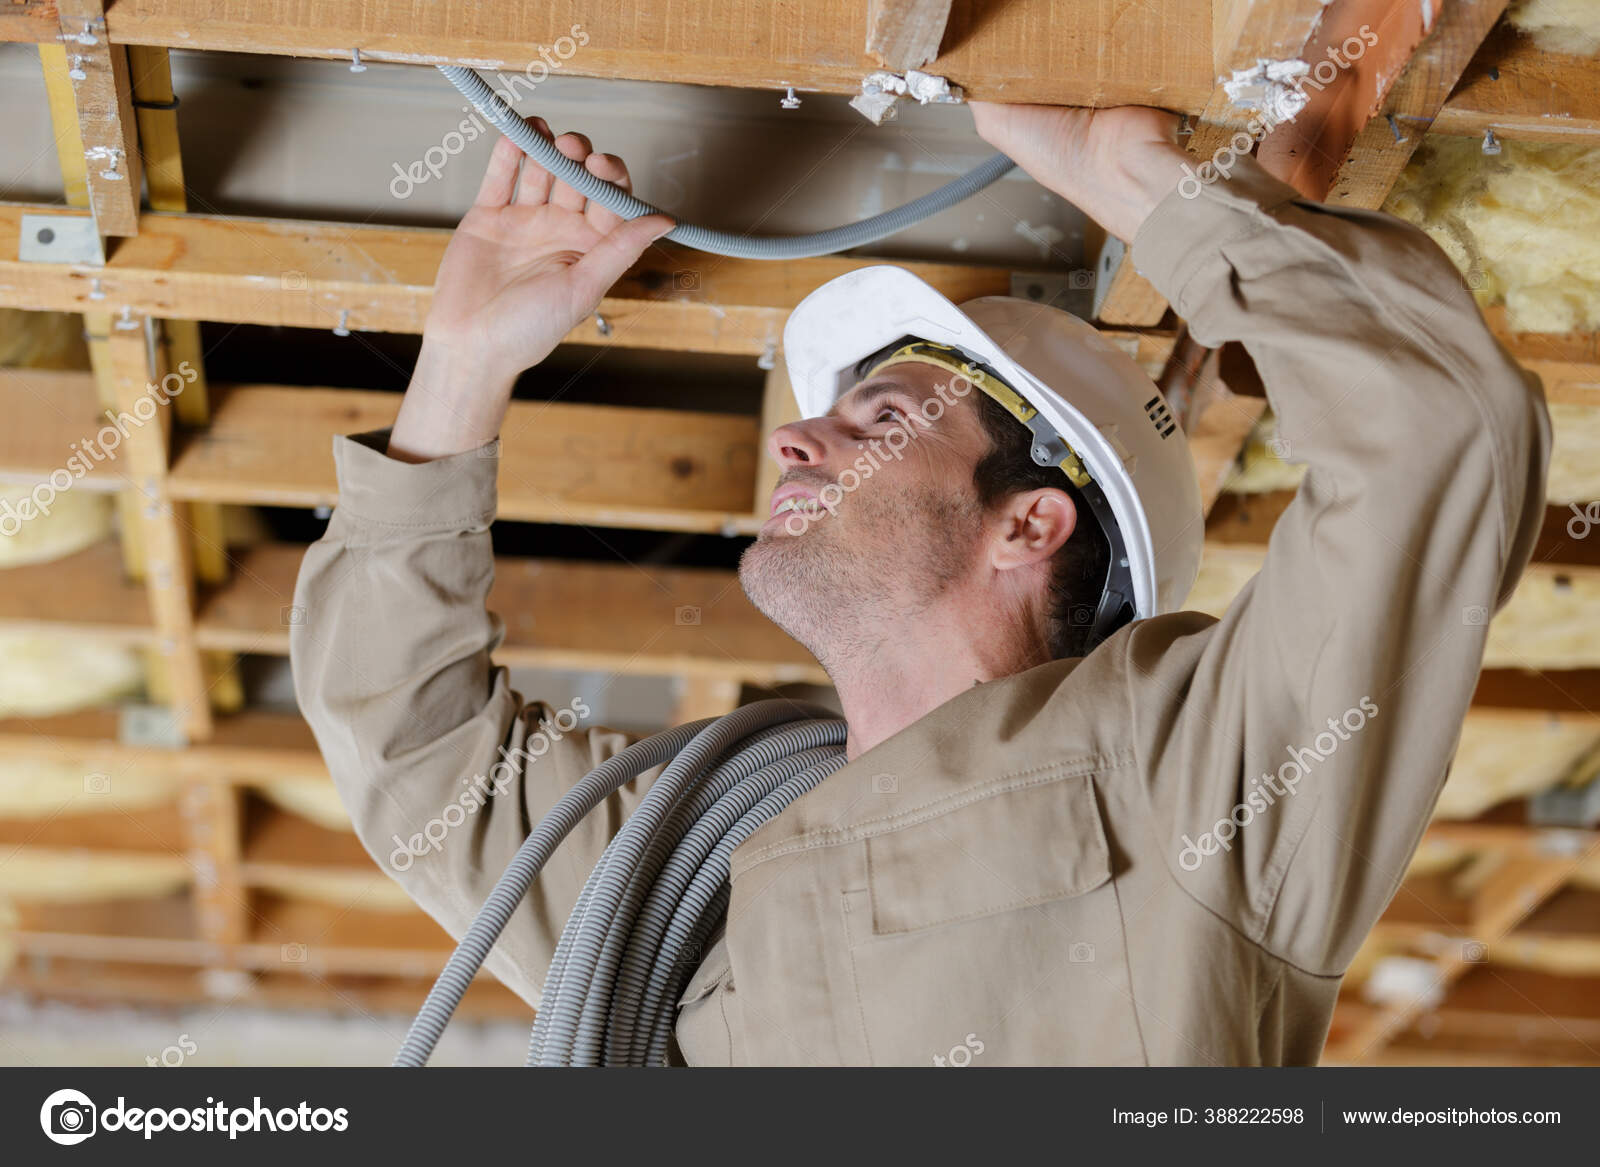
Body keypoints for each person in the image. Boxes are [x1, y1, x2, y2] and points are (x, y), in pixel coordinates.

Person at [290, 101, 1550, 1065]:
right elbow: (426, 765)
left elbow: (1437, 435)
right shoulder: (705, 869)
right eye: (861, 414)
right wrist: (459, 369)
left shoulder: (1192, 768)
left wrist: (1147, 187)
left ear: (1030, 524)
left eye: (874, 418)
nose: (793, 438)